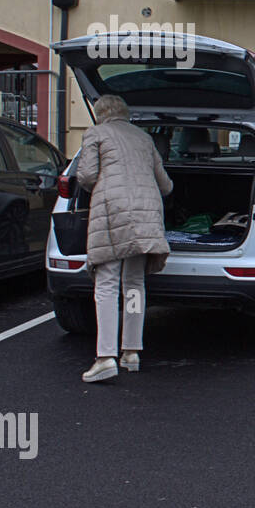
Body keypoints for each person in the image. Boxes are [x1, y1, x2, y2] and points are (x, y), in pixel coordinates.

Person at [74, 94, 173, 382]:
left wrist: (106, 184)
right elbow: (165, 184)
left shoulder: (97, 133)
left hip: (112, 211)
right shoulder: (144, 138)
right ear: (125, 114)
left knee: (106, 282)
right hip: (147, 212)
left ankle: (105, 357)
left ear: (100, 114)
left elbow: (87, 175)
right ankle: (131, 352)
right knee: (133, 284)